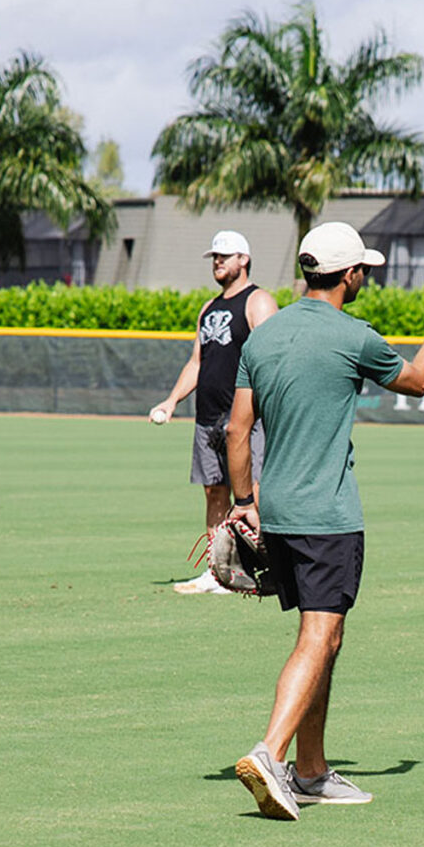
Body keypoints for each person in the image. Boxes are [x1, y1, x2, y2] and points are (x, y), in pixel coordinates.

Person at [226, 221, 424, 819]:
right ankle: (270, 753)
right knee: (319, 636)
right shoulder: (355, 336)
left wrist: (244, 502)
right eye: (364, 271)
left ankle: (311, 770)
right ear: (349, 275)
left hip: (276, 513)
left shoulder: (263, 338)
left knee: (326, 636)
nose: (366, 279)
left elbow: (236, 430)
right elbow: (419, 381)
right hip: (327, 515)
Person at [149, 230, 277, 594]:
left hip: (246, 418)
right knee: (214, 493)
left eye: (225, 255)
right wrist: (171, 401)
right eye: (215, 257)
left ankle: (267, 567)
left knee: (253, 493)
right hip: (208, 417)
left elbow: (271, 359)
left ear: (244, 260)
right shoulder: (209, 308)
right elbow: (196, 363)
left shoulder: (259, 302)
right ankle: (218, 570)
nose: (218, 261)